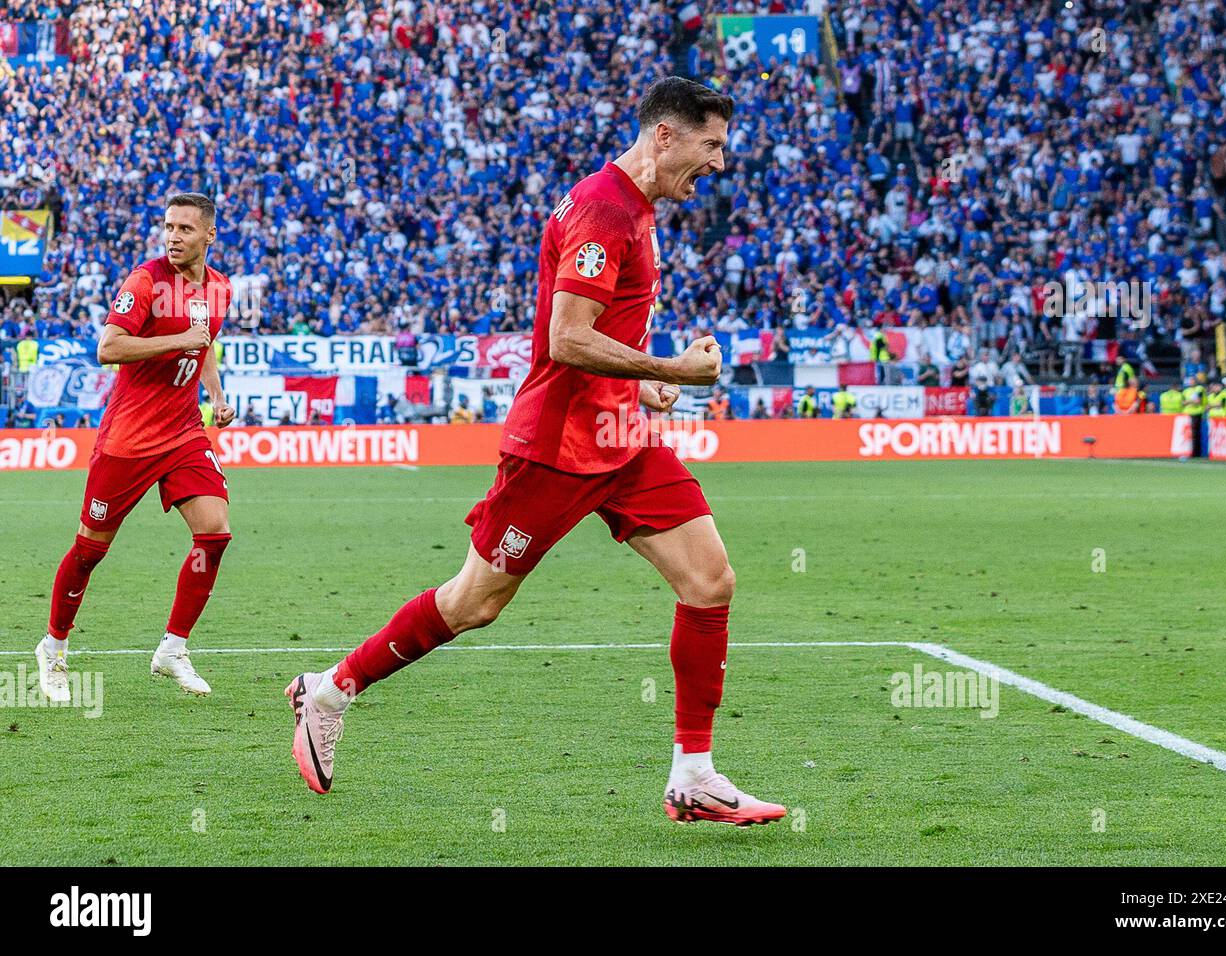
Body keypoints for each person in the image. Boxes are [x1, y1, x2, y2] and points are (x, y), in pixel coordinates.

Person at [285, 78, 785, 826]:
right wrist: (674, 371)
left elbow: (596, 331)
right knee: (474, 603)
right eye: (711, 144)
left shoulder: (636, 208)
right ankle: (328, 692)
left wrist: (641, 391)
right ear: (666, 137)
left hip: (619, 440)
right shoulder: (605, 210)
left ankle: (694, 775)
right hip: (555, 447)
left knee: (710, 582)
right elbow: (567, 339)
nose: (719, 162)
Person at [34, 193, 236, 704]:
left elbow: (203, 341)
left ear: (209, 236)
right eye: (169, 226)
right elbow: (109, 348)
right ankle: (53, 648)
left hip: (185, 433)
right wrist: (177, 341)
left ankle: (173, 647)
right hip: (128, 440)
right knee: (88, 552)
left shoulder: (220, 289)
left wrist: (216, 394)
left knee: (214, 533)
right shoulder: (145, 280)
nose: (174, 236)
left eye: (186, 229)